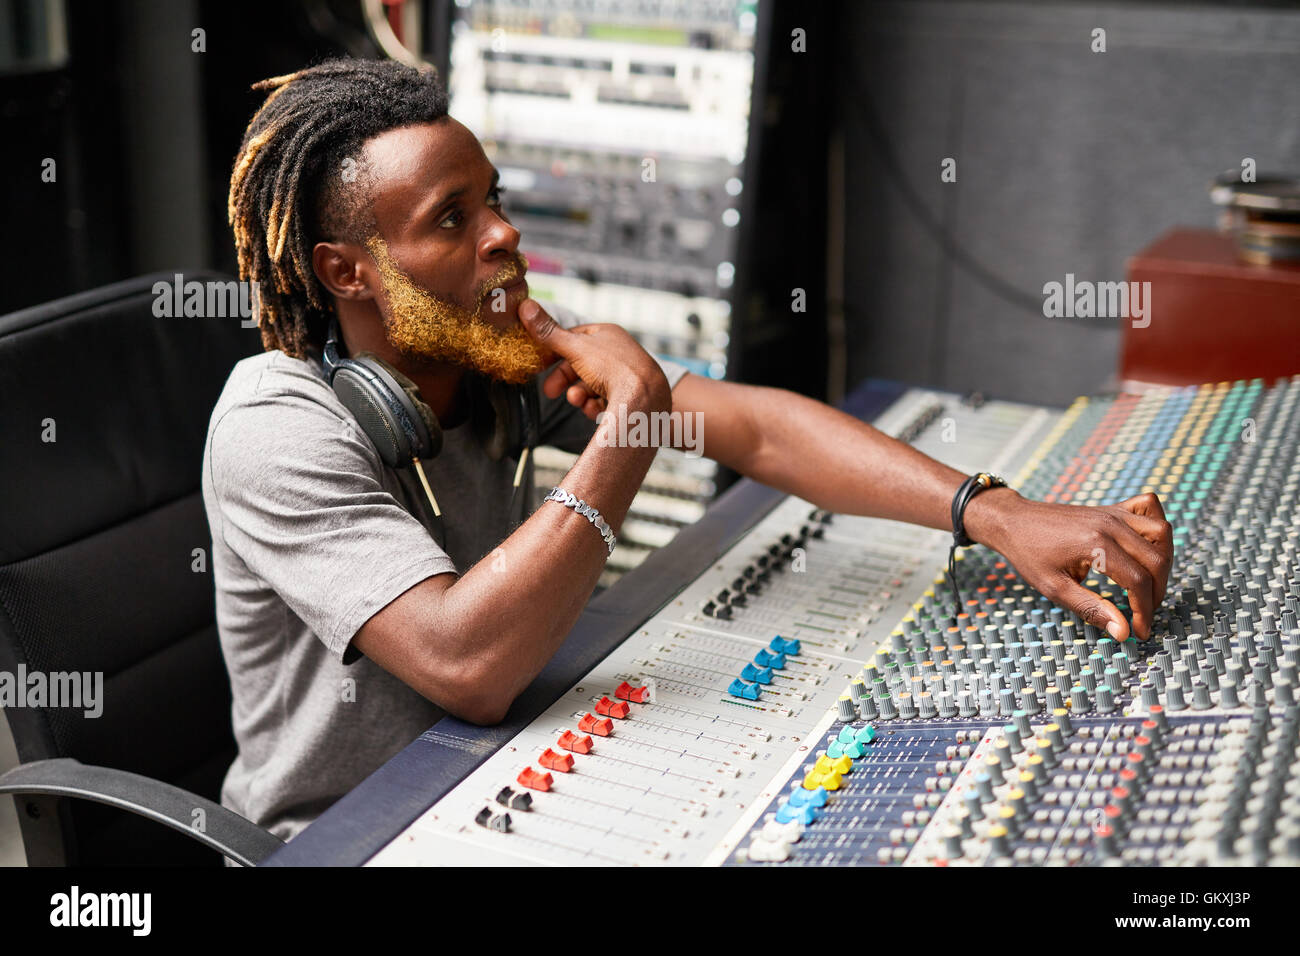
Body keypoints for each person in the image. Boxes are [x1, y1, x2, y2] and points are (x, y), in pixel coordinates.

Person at [204, 57, 1172, 843]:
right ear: (346, 271)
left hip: (497, 772)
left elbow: (755, 426)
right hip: (345, 833)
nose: (504, 232)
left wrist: (992, 511)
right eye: (451, 219)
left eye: (492, 199)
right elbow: (468, 664)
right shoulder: (278, 427)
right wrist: (630, 421)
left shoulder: (491, 353)